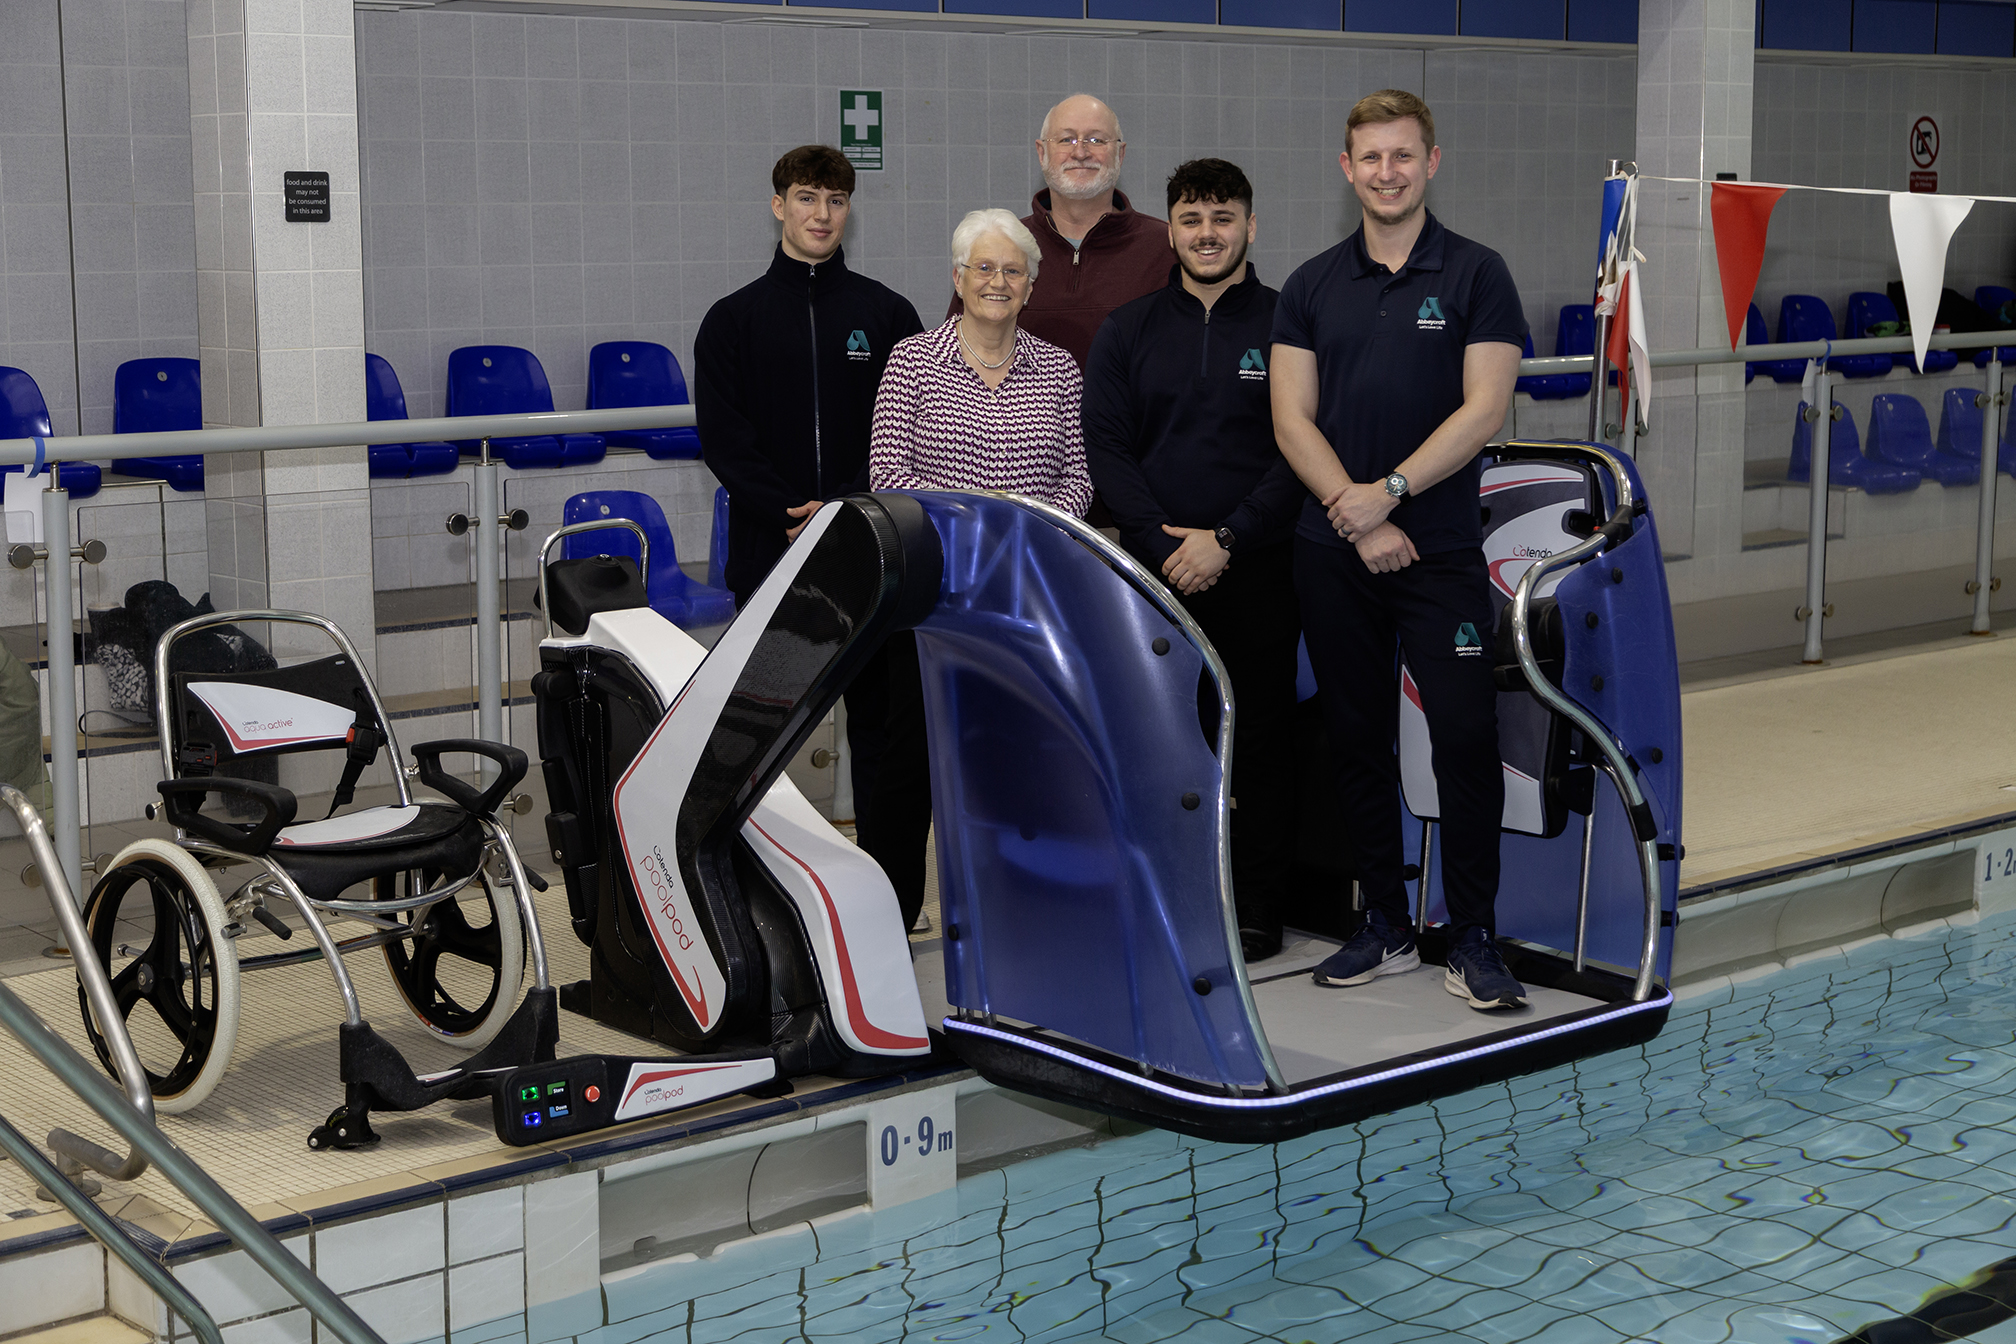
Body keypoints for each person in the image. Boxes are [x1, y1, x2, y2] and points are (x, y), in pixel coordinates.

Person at [1268, 90, 1530, 1010]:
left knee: (1463, 736)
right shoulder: (1309, 284)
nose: (1387, 172)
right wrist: (1355, 513)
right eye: (1370, 158)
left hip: (1443, 550)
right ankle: (1383, 921)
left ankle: (1471, 935)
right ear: (1347, 169)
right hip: (1331, 549)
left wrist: (1389, 497)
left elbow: (1484, 410)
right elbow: (1289, 417)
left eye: (1402, 156)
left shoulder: (1477, 274)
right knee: (1354, 739)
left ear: (1432, 161)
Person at [1082, 158, 1304, 962]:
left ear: (1251, 226)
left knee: (1262, 740)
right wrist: (1161, 542)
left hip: (1261, 568)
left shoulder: (1289, 323)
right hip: (1153, 572)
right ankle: (1165, 896)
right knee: (1160, 740)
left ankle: (1256, 907)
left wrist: (1229, 538)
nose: (1206, 234)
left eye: (1222, 218)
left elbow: (1301, 449)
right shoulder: (1128, 327)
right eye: (1191, 218)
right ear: (1169, 227)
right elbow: (1105, 445)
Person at [867, 208, 1093, 930]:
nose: (998, 282)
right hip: (932, 595)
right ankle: (892, 912)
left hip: (1026, 593)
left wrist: (1023, 540)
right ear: (958, 279)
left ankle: (1010, 907)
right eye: (984, 269)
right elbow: (889, 474)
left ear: (1031, 286)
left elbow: (1080, 480)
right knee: (910, 760)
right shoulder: (911, 361)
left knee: (1014, 756)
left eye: (1013, 271)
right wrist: (967, 543)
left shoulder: (1058, 367)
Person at [693, 144, 924, 835]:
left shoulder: (886, 315)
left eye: (835, 201)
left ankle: (889, 883)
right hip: (773, 551)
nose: (821, 215)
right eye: (806, 198)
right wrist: (788, 510)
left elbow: (907, 428)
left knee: (885, 733)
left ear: (848, 210)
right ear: (778, 205)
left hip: (871, 549)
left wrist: (844, 507)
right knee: (755, 735)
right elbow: (725, 440)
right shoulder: (733, 320)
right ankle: (747, 872)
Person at [948, 94, 1172, 370]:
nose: (1080, 152)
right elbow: (955, 353)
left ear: (1120, 154)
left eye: (1096, 140)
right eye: (1066, 139)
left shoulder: (1166, 248)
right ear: (1042, 152)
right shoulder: (1002, 247)